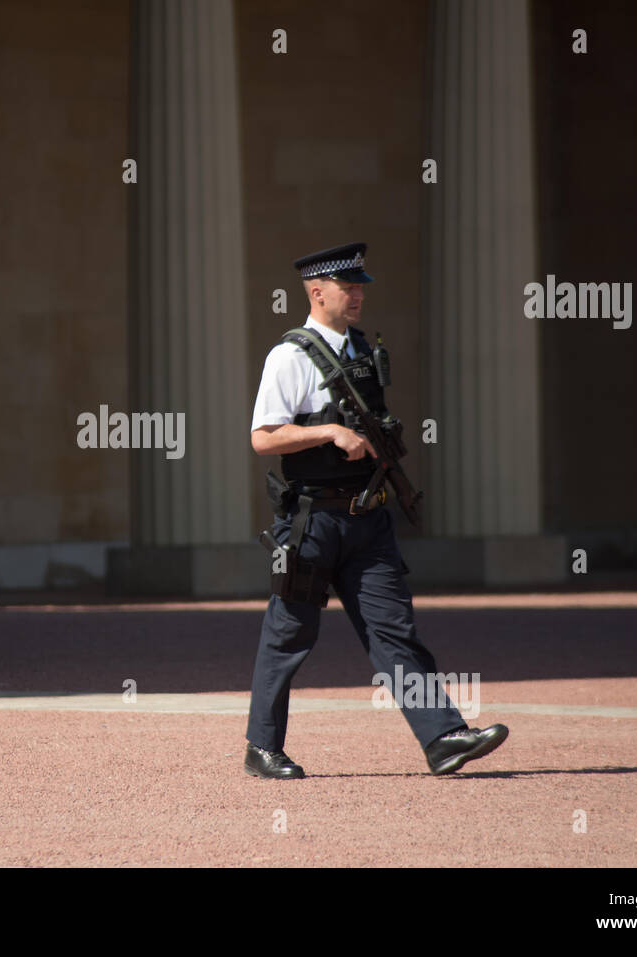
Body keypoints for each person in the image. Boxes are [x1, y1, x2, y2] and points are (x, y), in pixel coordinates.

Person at [243, 242, 508, 778]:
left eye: (360, 285)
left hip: (368, 519)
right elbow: (263, 438)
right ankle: (262, 748)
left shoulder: (361, 349)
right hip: (312, 522)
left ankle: (442, 736)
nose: (358, 293)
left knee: (395, 630)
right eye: (348, 286)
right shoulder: (289, 355)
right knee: (289, 634)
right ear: (317, 292)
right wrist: (329, 430)